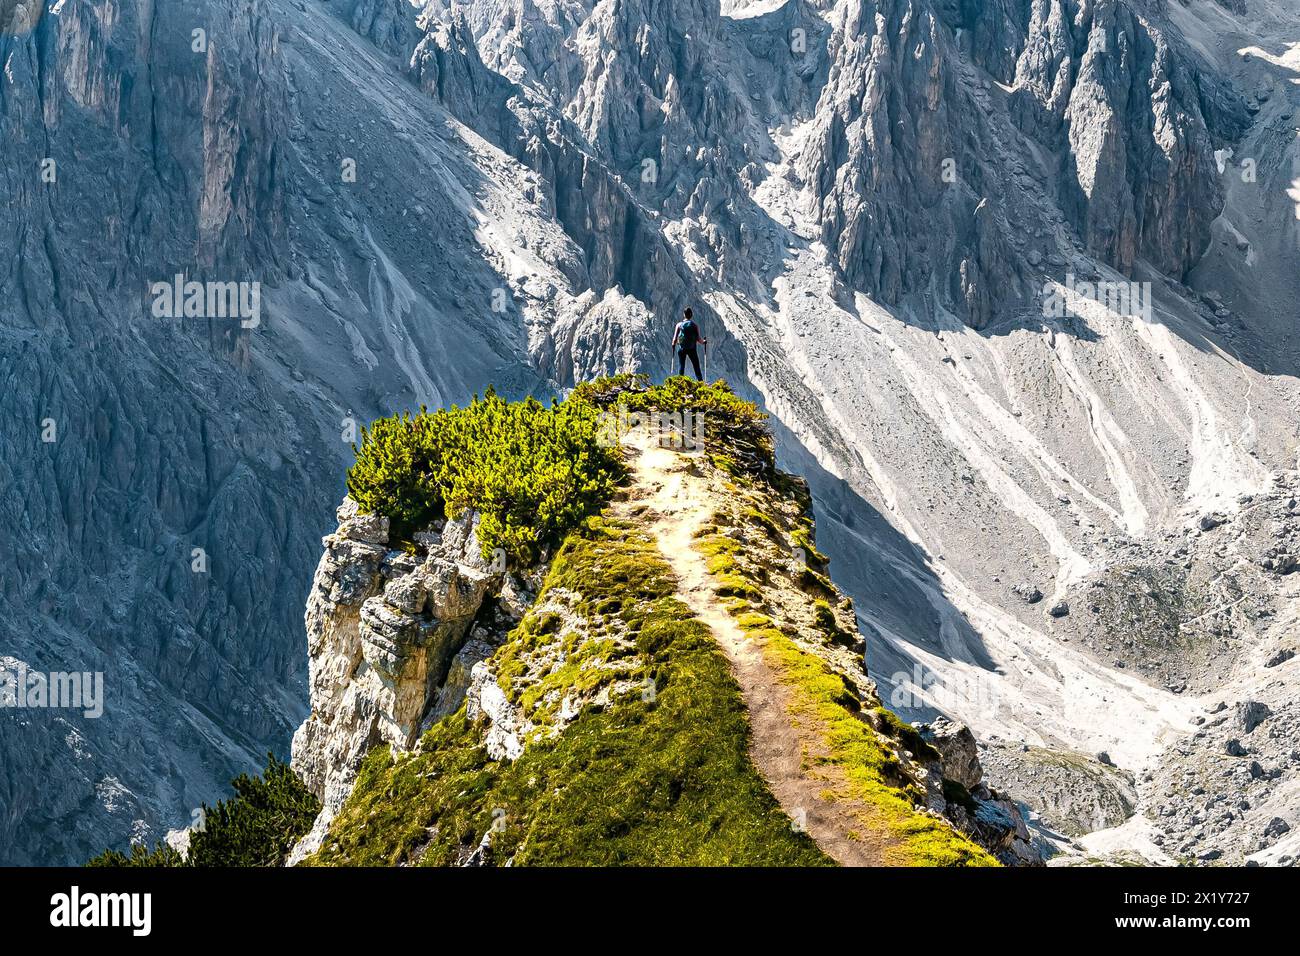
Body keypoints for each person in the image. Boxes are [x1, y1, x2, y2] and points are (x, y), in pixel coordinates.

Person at [670, 307, 707, 380]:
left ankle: (680, 382)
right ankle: (700, 382)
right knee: (696, 366)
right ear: (691, 315)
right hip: (692, 349)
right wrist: (704, 342)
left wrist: (673, 345)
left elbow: (674, 339)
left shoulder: (679, 325)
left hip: (681, 348)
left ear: (684, 315)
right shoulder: (694, 325)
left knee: (681, 365)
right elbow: (699, 339)